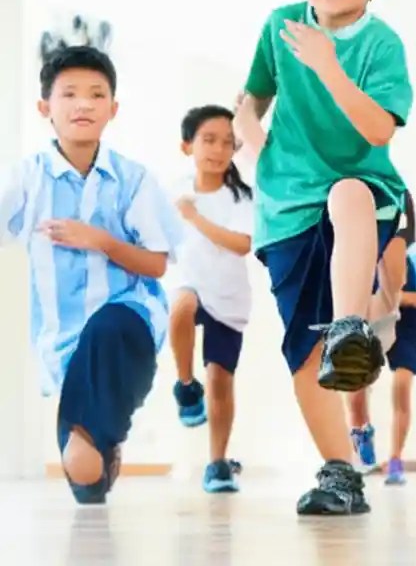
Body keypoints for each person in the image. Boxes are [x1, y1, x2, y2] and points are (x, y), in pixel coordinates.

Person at [234, 0, 413, 515]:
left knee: (348, 193)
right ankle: (341, 473)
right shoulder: (281, 26)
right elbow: (252, 96)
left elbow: (379, 130)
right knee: (300, 354)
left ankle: (350, 328)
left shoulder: (381, 45)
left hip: (360, 192)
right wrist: (250, 136)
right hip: (284, 207)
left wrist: (328, 64)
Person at [0, 46, 183, 504]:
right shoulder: (27, 178)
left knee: (108, 323)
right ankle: (100, 458)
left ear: (112, 109)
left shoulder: (133, 180)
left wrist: (100, 239)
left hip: (131, 328)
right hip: (65, 345)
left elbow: (157, 263)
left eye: (96, 94)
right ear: (46, 108)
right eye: (69, 95)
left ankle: (101, 435)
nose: (83, 104)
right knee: (86, 480)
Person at [169, 105, 256, 493]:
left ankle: (218, 464)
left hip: (228, 296)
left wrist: (196, 218)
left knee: (221, 380)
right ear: (187, 145)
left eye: (227, 142)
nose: (218, 150)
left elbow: (242, 245)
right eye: (208, 140)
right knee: (182, 306)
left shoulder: (240, 197)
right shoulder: (175, 190)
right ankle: (186, 387)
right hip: (190, 284)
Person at [348, 194, 416, 486]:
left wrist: (392, 298)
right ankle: (362, 435)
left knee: (401, 386)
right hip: (372, 322)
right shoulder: (363, 253)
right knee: (357, 386)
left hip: (408, 327)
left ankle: (396, 457)